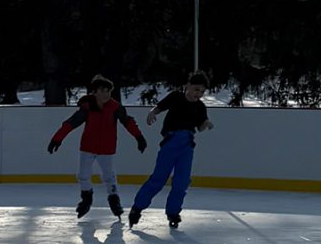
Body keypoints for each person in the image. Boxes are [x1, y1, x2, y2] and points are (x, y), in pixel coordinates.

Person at [47, 74, 147, 219]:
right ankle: (87, 199)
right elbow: (71, 123)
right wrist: (57, 139)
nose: (105, 94)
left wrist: (139, 137)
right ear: (94, 92)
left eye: (108, 91)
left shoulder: (115, 107)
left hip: (106, 148)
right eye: (102, 90)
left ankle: (114, 200)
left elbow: (128, 122)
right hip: (87, 147)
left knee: (109, 177)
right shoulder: (87, 107)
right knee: (83, 176)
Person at [128, 72, 214, 229]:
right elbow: (159, 107)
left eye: (202, 91)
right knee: (158, 179)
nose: (198, 94)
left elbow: (200, 127)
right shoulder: (176, 97)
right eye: (196, 89)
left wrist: (206, 123)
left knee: (182, 182)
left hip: (187, 146)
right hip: (170, 143)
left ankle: (173, 212)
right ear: (187, 85)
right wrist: (152, 113)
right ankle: (137, 208)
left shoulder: (200, 107)